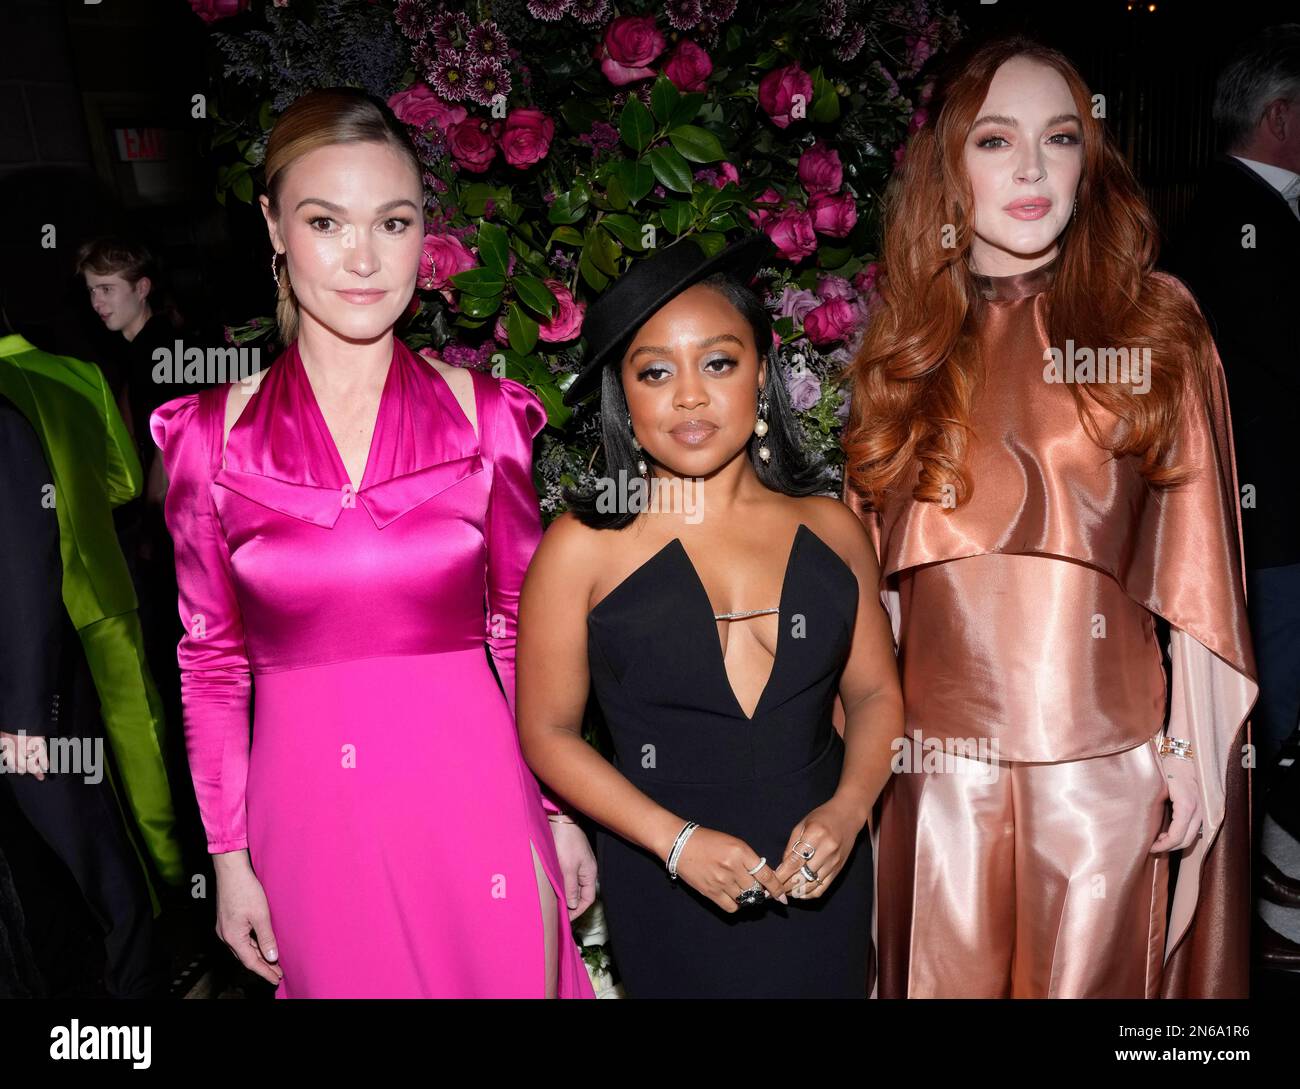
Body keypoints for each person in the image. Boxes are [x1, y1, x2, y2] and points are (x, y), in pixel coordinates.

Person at [150, 87, 595, 998]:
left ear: (423, 236)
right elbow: (213, 662)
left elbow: (521, 630)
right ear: (274, 227)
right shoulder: (206, 439)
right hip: (310, 819)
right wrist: (229, 856)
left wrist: (555, 808)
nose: (363, 259)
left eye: (392, 223)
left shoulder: (490, 415)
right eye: (326, 221)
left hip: (480, 805)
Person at [840, 36, 1258, 998]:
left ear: (1089, 162)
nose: (1031, 168)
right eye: (995, 141)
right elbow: (872, 596)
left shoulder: (1156, 324)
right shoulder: (905, 342)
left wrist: (1188, 750)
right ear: (951, 167)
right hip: (935, 780)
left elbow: (1201, 565)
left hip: (1103, 781)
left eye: (1059, 138)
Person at [516, 232, 903, 998]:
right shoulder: (581, 549)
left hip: (819, 879)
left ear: (761, 373)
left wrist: (850, 808)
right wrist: (676, 842)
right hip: (664, 883)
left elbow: (875, 695)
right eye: (655, 372)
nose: (689, 395)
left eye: (718, 362)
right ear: (623, 395)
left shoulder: (831, 528)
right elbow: (547, 732)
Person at [1165, 25, 1300, 967]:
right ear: (1283, 115)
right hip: (1273, 518)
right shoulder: (1236, 220)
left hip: (1266, 514)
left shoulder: (1227, 211)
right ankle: (1271, 891)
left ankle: (1274, 886)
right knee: (1273, 713)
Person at [0, 343, 178, 997]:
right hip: (97, 590)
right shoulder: (77, 374)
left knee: (70, 796)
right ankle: (168, 890)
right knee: (141, 746)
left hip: (31, 628)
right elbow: (126, 481)